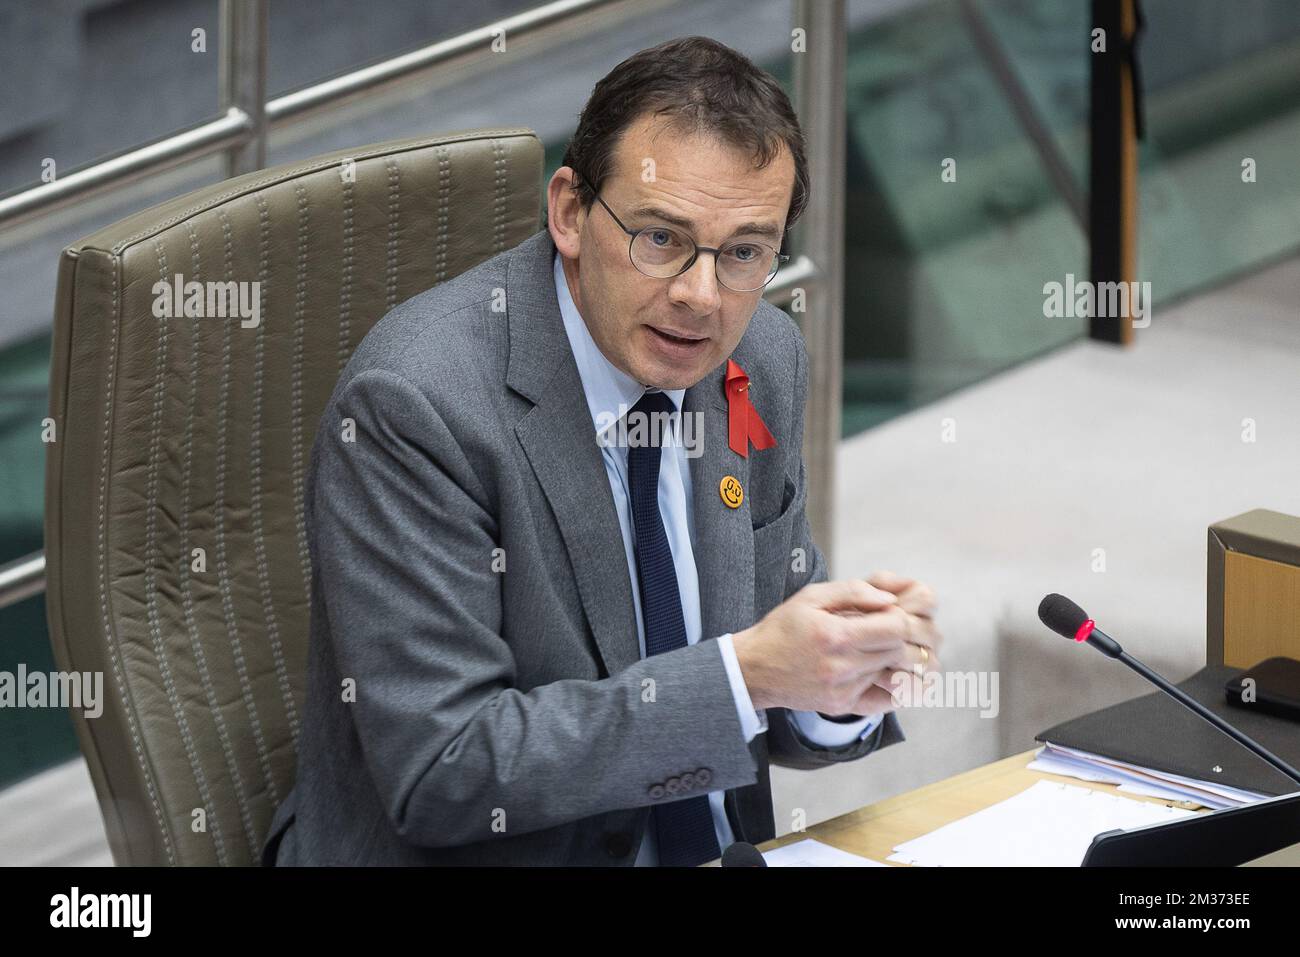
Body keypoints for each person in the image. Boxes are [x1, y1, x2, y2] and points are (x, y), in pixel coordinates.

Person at [262, 35, 941, 867]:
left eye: (743, 253)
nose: (700, 295)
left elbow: (762, 676)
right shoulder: (418, 405)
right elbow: (445, 771)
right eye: (660, 238)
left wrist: (837, 683)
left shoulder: (761, 356)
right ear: (570, 213)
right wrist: (748, 675)